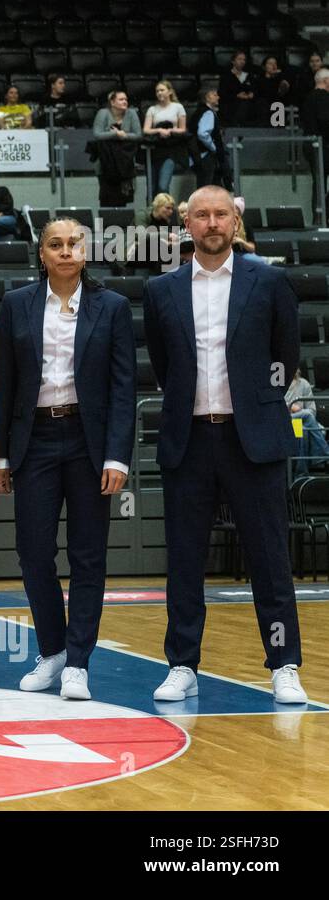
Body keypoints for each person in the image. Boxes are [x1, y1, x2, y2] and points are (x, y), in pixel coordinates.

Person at [142, 185, 307, 704]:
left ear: (235, 223)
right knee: (185, 560)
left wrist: (257, 408)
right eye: (201, 215)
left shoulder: (271, 281)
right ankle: (182, 664)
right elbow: (165, 366)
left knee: (269, 558)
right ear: (186, 226)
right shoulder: (161, 290)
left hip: (251, 439)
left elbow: (286, 357)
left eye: (221, 215)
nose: (212, 223)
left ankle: (284, 663)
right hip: (189, 439)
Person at [0, 218, 136, 699]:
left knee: (88, 555)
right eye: (56, 244)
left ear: (87, 251)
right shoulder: (16, 305)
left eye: (74, 243)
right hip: (34, 439)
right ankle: (52, 651)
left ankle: (79, 662)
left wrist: (117, 456)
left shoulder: (112, 307)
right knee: (33, 553)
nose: (66, 251)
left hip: (88, 441)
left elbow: (123, 388)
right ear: (42, 254)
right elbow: (5, 383)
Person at [91, 90, 143, 207]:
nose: (125, 102)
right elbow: (97, 134)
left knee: (122, 196)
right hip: (106, 161)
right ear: (112, 102)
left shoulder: (131, 113)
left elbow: (138, 135)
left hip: (125, 161)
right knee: (106, 195)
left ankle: (120, 222)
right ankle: (106, 221)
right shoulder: (103, 113)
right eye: (121, 99)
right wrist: (116, 135)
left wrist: (123, 134)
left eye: (126, 99)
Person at [143, 81, 189, 198]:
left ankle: (165, 212)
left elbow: (183, 129)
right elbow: (146, 130)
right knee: (151, 187)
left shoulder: (178, 107)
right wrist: (159, 130)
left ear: (169, 91)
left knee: (163, 186)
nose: (159, 93)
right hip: (155, 149)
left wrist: (171, 131)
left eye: (162, 90)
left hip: (170, 149)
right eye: (157, 91)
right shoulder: (152, 109)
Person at [286, 367, 329, 478]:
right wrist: (290, 407)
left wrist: (300, 410)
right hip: (285, 421)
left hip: (300, 422)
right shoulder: (277, 384)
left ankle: (301, 474)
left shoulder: (304, 384)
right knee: (307, 415)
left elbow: (312, 410)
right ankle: (325, 453)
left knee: (303, 430)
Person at [301, 68, 329, 221]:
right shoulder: (324, 98)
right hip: (323, 145)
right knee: (320, 182)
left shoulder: (308, 98)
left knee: (318, 182)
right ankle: (323, 215)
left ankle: (318, 216)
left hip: (310, 144)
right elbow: (325, 121)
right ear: (326, 81)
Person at [190, 87, 230, 190]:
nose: (218, 97)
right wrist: (214, 148)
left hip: (197, 155)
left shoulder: (197, 112)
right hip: (206, 155)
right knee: (207, 187)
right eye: (215, 95)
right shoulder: (208, 113)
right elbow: (203, 134)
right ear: (207, 97)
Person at [219, 51, 257, 126]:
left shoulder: (249, 76)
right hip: (231, 103)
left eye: (244, 60)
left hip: (248, 103)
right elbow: (222, 93)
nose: (242, 61)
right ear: (233, 61)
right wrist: (236, 96)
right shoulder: (226, 76)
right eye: (239, 59)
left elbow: (254, 89)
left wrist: (252, 94)